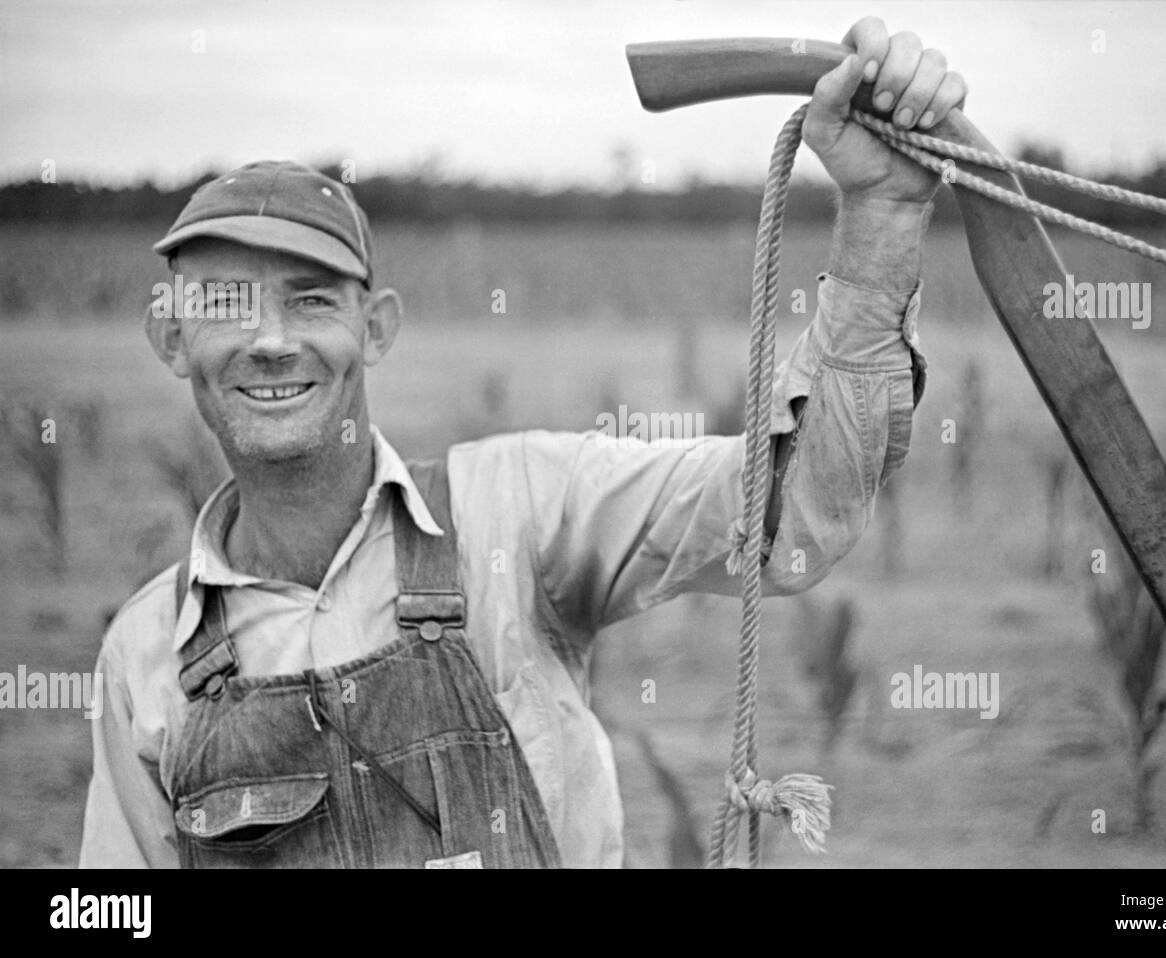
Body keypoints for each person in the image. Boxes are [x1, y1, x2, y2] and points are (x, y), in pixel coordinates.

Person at [79, 16, 966, 868]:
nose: (271, 339)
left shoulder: (522, 510)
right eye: (227, 303)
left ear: (377, 329)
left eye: (312, 299)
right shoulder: (147, 652)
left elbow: (796, 514)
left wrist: (880, 220)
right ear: (170, 339)